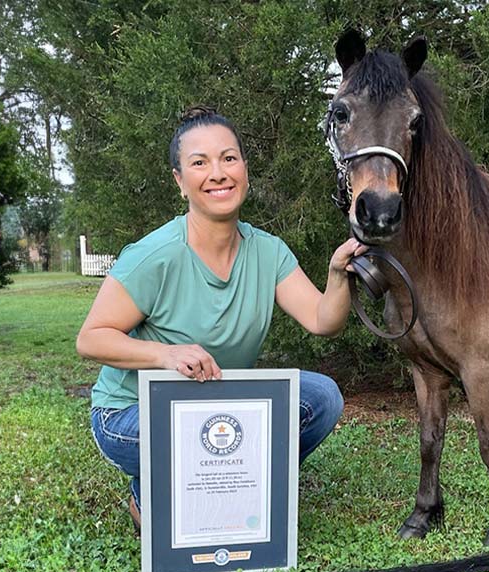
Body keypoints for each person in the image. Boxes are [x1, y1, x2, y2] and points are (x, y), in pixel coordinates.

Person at [76, 106, 364, 529]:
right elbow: (91, 338)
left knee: (320, 397)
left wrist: (338, 274)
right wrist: (167, 355)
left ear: (244, 169)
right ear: (180, 182)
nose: (218, 173)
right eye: (199, 163)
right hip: (129, 415)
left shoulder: (268, 252)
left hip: (213, 403)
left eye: (229, 158)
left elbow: (323, 320)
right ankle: (152, 493)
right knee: (200, 441)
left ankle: (236, 485)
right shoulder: (155, 256)